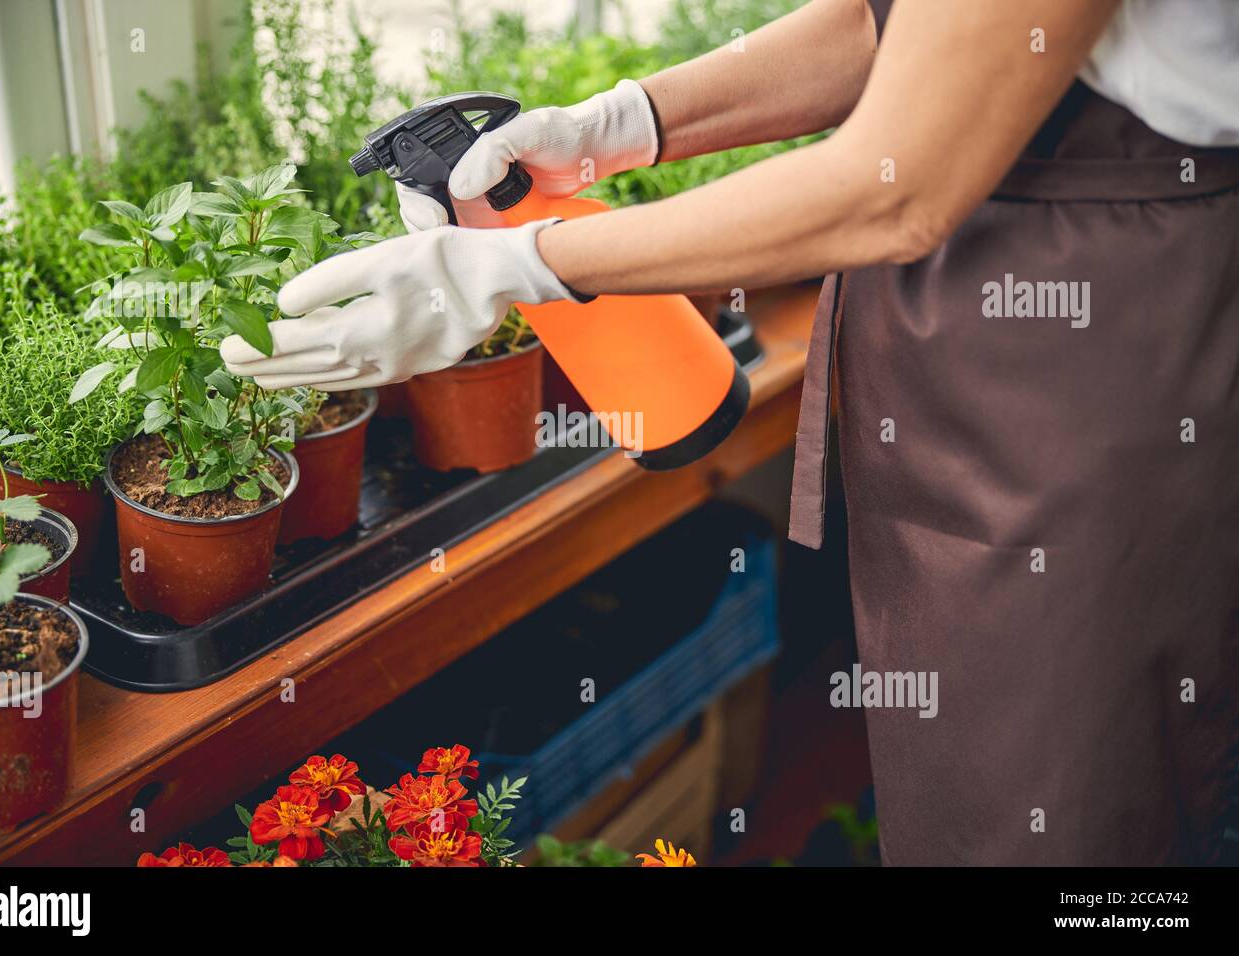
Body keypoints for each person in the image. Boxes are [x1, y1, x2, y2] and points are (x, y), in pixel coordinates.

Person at [221, 0, 1239, 865]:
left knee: (1083, 798)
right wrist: (618, 125)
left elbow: (897, 185)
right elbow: (891, 26)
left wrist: (516, 264)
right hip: (974, 374)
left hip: (1086, 369)